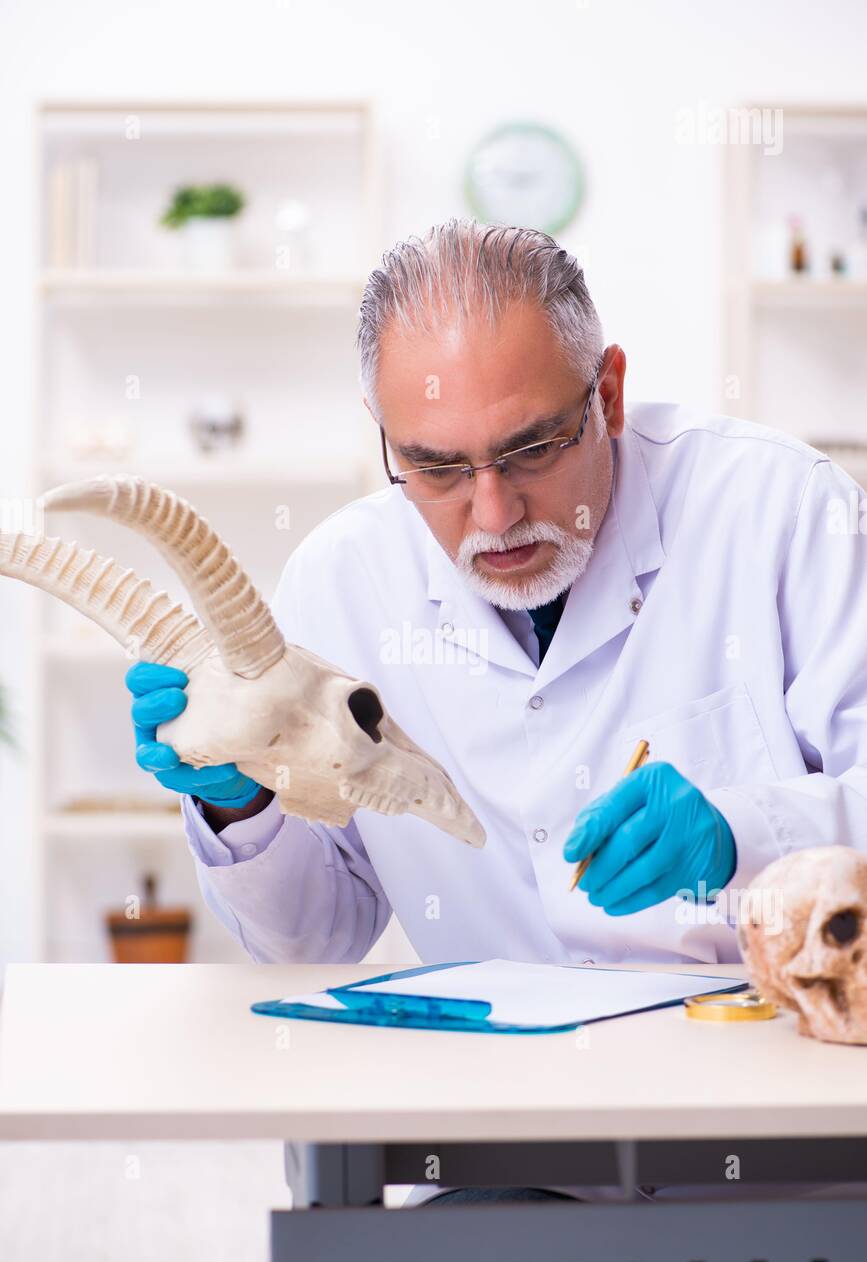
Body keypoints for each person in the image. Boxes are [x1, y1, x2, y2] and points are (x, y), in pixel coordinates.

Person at [127, 217, 867, 1203]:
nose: (494, 514)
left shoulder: (781, 510)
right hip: (495, 1140)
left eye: (532, 449)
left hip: (778, 1131)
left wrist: (744, 832)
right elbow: (316, 941)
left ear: (605, 392)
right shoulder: (342, 583)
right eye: (435, 466)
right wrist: (238, 803)